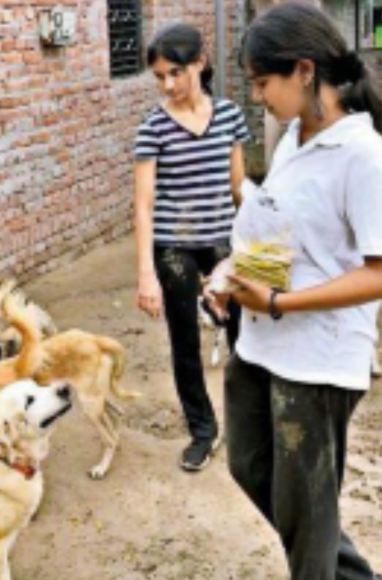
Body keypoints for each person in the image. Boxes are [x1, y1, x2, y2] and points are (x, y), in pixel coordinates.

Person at [209, 3, 382, 579]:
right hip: (262, 341)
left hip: (318, 359)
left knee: (306, 509)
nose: (257, 96)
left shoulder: (361, 156)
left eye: (261, 82)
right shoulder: (294, 138)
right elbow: (285, 232)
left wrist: (278, 302)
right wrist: (232, 273)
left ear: (303, 70)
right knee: (252, 468)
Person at [134, 23, 252, 472]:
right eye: (160, 76)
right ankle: (203, 431)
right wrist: (146, 273)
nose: (168, 85)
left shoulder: (229, 115)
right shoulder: (153, 127)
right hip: (174, 247)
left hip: (223, 240)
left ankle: (249, 424)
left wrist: (264, 239)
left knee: (246, 330)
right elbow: (143, 205)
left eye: (176, 73)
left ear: (200, 63)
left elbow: (238, 186)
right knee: (185, 342)